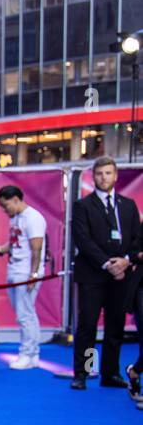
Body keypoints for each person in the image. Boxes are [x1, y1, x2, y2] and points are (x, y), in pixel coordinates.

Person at [70, 156, 140, 391]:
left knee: (115, 327)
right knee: (88, 326)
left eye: (108, 173)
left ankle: (110, 373)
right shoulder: (83, 205)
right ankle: (84, 371)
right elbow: (82, 239)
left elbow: (137, 239)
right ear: (94, 176)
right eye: (99, 174)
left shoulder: (128, 205)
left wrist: (125, 261)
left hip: (122, 276)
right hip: (93, 275)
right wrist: (107, 264)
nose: (103, 178)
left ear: (116, 175)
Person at [0, 184, 46, 370]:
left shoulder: (33, 218)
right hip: (15, 269)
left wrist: (33, 274)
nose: (4, 209)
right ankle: (32, 354)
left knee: (25, 315)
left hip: (25, 272)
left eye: (5, 205)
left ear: (16, 199)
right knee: (25, 314)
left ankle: (27, 353)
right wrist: (1, 249)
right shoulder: (16, 219)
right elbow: (16, 241)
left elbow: (36, 247)